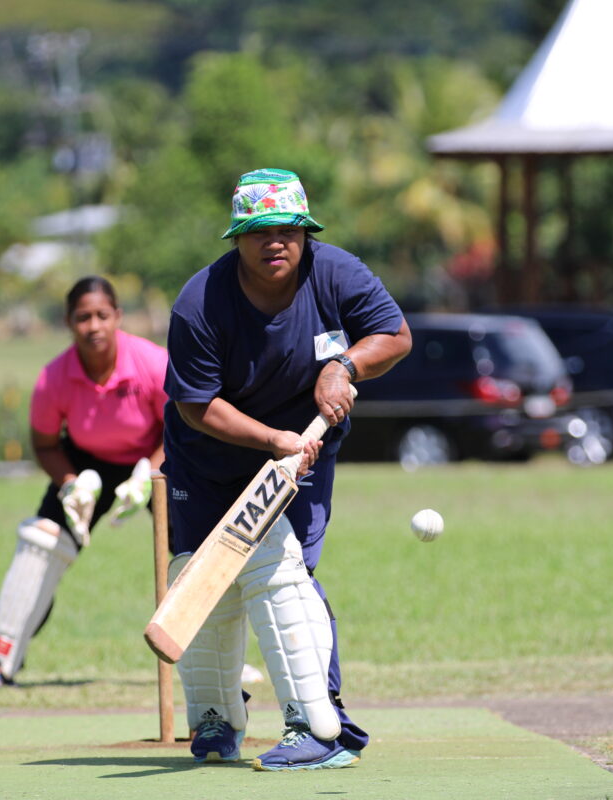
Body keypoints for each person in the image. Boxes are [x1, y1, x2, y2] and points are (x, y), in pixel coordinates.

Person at [162, 168, 412, 770]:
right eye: (258, 232)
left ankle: (320, 725)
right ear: (236, 238)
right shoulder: (200, 302)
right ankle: (216, 718)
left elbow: (395, 335)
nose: (274, 242)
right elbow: (196, 406)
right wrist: (270, 437)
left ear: (305, 233)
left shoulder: (335, 273)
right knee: (201, 578)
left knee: (285, 575)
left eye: (287, 230)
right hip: (211, 456)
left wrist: (344, 367)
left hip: (303, 453)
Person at [0, 275, 168, 692]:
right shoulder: (53, 378)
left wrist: (150, 473)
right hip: (84, 462)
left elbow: (182, 429)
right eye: (83, 317)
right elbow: (45, 444)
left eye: (102, 315)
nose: (94, 326)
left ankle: (223, 666)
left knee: (195, 547)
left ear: (118, 317)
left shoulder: (152, 362)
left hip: (155, 459)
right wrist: (71, 485)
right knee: (41, 541)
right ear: (69, 322)